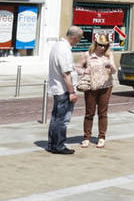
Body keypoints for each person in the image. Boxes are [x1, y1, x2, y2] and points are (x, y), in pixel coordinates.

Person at [46, 26, 83, 155]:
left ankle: (52, 144)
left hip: (57, 88)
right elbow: (66, 74)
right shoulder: (64, 49)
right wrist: (72, 92)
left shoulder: (57, 46)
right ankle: (59, 146)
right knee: (61, 119)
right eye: (79, 38)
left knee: (56, 118)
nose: (79, 41)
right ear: (74, 37)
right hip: (63, 90)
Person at [77, 32, 117, 148]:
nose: (103, 47)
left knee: (103, 113)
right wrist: (84, 71)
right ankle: (87, 137)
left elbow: (114, 72)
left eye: (105, 45)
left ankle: (101, 137)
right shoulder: (87, 55)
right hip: (91, 87)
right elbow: (77, 67)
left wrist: (111, 66)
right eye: (101, 45)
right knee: (89, 113)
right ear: (96, 44)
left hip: (106, 87)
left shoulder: (109, 55)